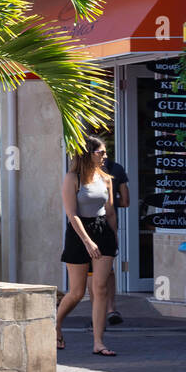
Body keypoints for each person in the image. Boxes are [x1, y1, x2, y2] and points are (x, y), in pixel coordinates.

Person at [54, 135, 119, 357]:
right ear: (88, 154)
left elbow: (110, 212)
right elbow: (71, 213)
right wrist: (87, 241)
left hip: (103, 231)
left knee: (100, 288)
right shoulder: (73, 178)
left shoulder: (107, 179)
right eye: (101, 152)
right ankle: (56, 324)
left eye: (105, 153)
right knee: (77, 292)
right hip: (79, 232)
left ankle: (98, 342)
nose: (105, 156)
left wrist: (114, 236)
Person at [102, 154, 129, 326]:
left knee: (92, 272)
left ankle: (98, 310)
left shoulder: (78, 171)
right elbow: (125, 201)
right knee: (107, 270)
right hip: (108, 226)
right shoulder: (116, 169)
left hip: (85, 226)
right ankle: (110, 309)